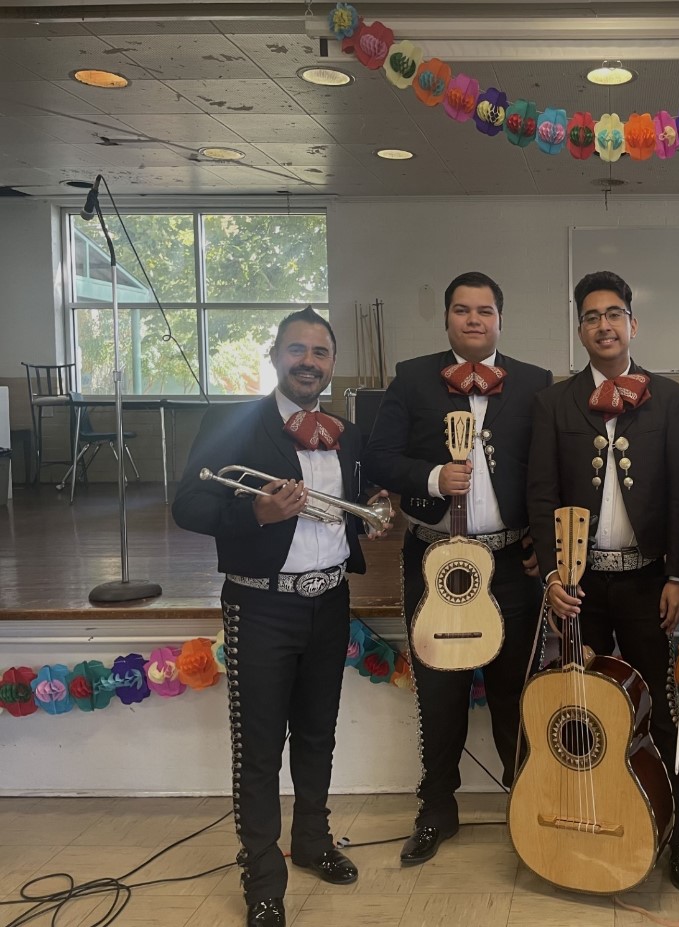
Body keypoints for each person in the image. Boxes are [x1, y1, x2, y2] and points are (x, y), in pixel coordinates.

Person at [174, 308, 388, 927]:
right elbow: (187, 505)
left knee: (318, 735)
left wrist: (369, 511)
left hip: (329, 600)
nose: (308, 362)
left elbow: (344, 506)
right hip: (261, 603)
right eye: (297, 349)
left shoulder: (347, 433)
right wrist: (256, 514)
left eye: (320, 352)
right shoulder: (231, 422)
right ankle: (264, 876)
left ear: (333, 363)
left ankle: (314, 842)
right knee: (260, 747)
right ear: (275, 355)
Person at [363, 271, 552, 866]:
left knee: (514, 692)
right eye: (462, 310)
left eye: (485, 311)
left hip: (512, 561)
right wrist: (430, 477)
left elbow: (550, 469)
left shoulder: (535, 382)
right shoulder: (412, 377)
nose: (474, 320)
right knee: (439, 695)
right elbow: (378, 457)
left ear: (500, 319)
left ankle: (525, 804)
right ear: (446, 318)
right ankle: (437, 808)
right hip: (434, 558)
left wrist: (543, 541)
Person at [527, 270, 679, 891]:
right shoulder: (553, 402)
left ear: (632, 324)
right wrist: (552, 576)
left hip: (650, 583)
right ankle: (588, 826)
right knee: (585, 712)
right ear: (580, 330)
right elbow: (541, 494)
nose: (604, 325)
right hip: (581, 589)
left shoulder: (670, 397)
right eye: (591, 316)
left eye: (614, 314)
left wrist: (677, 575)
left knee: (662, 710)